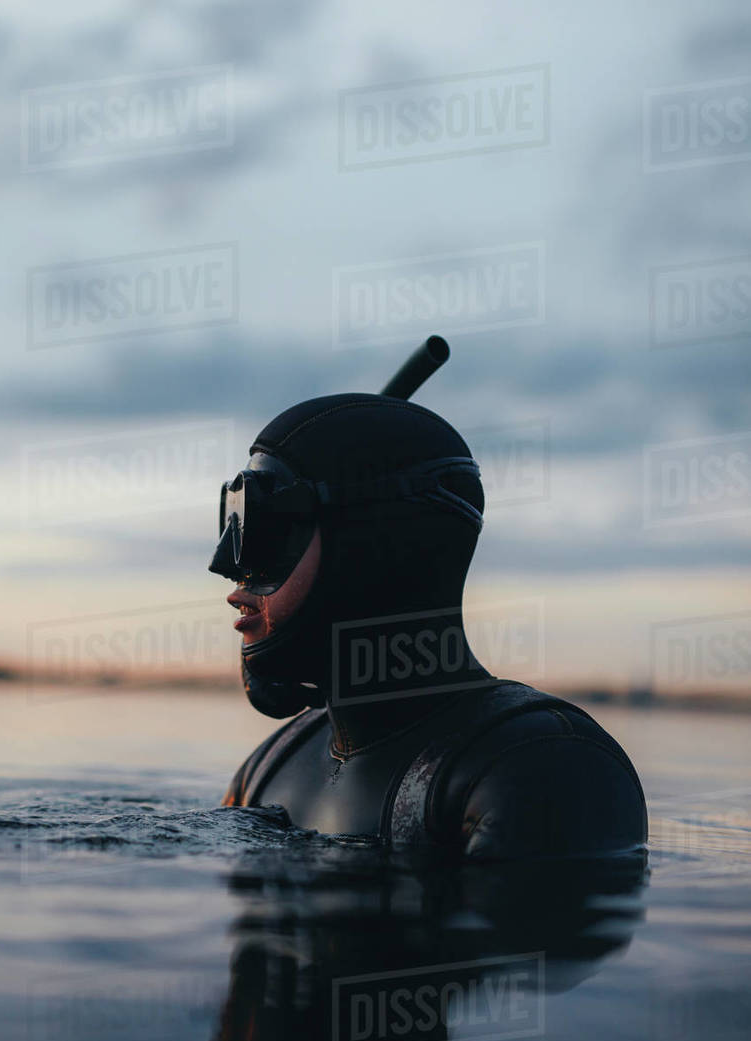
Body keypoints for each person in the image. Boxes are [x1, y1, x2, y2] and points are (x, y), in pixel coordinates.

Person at [208, 339, 647, 856]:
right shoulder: (270, 765)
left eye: (265, 530)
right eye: (231, 523)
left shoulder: (546, 770)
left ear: (375, 554)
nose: (229, 567)